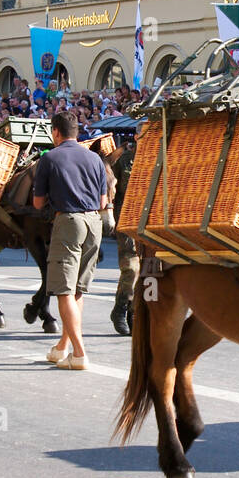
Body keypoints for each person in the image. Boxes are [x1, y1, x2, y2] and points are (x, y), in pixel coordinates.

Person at [32, 111, 108, 370]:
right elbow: (103, 201)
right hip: (94, 223)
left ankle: (79, 352)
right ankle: (62, 347)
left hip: (69, 222)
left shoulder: (49, 158)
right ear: (76, 131)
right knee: (76, 290)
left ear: (55, 132)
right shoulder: (95, 158)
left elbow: (38, 202)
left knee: (63, 290)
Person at [105, 138, 137, 335]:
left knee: (151, 270)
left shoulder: (159, 156)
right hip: (126, 216)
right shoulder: (124, 160)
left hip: (150, 218)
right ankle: (121, 309)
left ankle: (135, 313)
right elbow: (111, 189)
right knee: (131, 268)